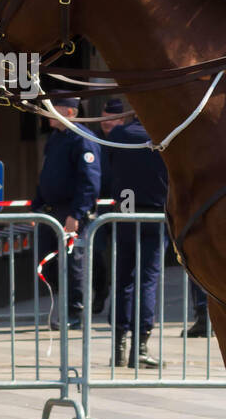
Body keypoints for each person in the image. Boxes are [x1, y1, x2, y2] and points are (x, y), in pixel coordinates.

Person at [101, 103, 169, 368]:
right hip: (154, 214)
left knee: (123, 280)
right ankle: (139, 347)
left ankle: (118, 347)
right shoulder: (163, 136)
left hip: (124, 213)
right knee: (147, 280)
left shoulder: (118, 135)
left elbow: (107, 175)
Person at [33, 95, 101, 327]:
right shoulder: (56, 138)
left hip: (69, 212)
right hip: (51, 211)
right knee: (49, 265)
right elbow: (46, 175)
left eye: (53, 108)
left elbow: (89, 181)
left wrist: (77, 214)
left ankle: (75, 312)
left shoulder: (82, 139)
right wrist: (36, 206)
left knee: (73, 265)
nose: (47, 113)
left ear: (70, 113)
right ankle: (61, 308)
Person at [90, 96, 127, 314]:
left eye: (112, 119)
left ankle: (120, 299)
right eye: (104, 118)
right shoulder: (94, 140)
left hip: (125, 202)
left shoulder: (127, 139)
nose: (107, 123)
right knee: (99, 254)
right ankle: (100, 292)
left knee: (123, 253)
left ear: (121, 121)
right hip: (100, 205)